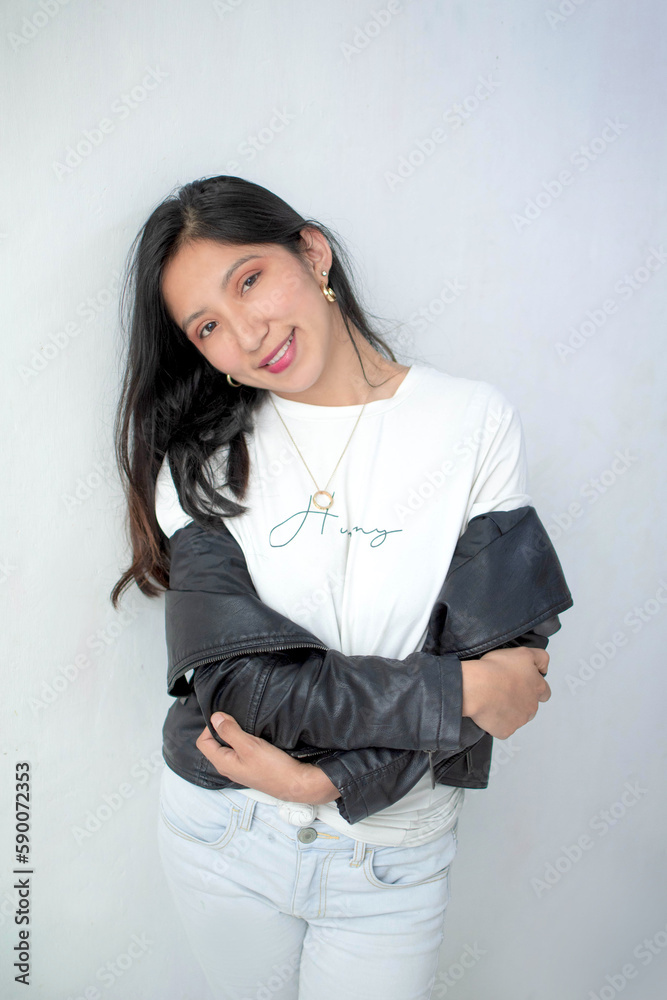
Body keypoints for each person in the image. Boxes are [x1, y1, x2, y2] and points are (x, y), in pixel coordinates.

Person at [111, 174, 554, 1000]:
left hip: (392, 855)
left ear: (310, 253)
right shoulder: (201, 461)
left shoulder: (471, 423)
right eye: (207, 324)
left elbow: (514, 687)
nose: (247, 332)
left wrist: (331, 780)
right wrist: (454, 685)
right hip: (224, 832)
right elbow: (239, 687)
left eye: (250, 279)